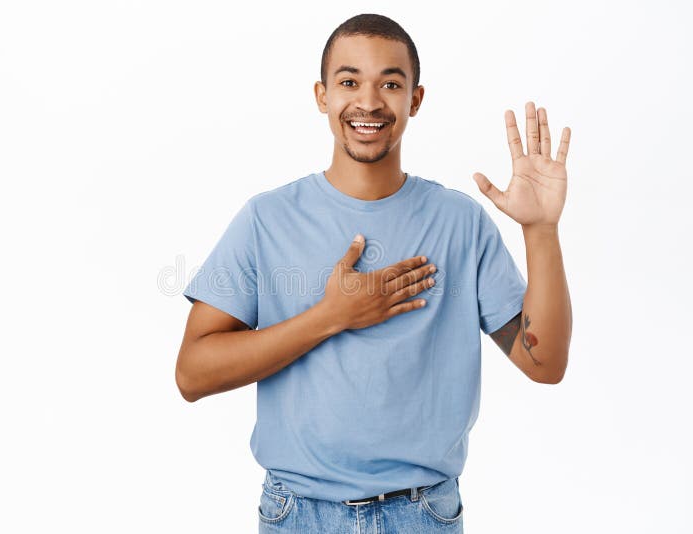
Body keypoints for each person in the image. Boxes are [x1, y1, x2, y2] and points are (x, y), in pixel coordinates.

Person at [176, 13, 572, 533]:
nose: (368, 101)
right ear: (322, 95)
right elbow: (192, 374)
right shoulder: (266, 219)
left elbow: (544, 362)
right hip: (299, 514)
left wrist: (540, 231)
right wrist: (330, 316)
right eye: (348, 82)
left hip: (424, 514)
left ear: (416, 99)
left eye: (390, 82)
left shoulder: (460, 222)